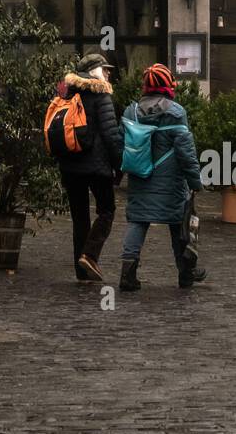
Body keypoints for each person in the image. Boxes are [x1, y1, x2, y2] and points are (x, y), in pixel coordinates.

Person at [117, 63, 207, 292]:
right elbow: (186, 153)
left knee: (138, 222)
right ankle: (185, 275)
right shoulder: (176, 113)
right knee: (179, 225)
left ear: (145, 85)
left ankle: (127, 275)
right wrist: (195, 181)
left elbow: (120, 146)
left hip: (140, 178)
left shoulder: (131, 112)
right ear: (168, 85)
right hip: (172, 183)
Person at [53, 52, 122, 283]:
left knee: (80, 218)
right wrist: (119, 165)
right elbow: (111, 135)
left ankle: (81, 272)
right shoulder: (101, 94)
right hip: (97, 166)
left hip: (70, 165)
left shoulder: (66, 92)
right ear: (94, 71)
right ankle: (89, 256)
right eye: (105, 69)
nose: (108, 73)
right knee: (107, 210)